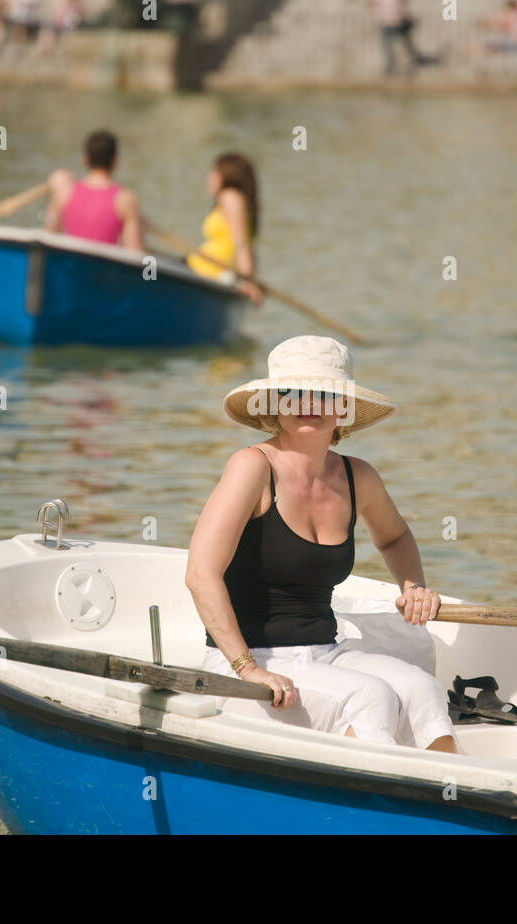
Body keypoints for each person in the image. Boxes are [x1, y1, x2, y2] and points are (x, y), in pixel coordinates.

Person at [186, 335, 458, 753]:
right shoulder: (250, 467)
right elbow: (201, 575)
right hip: (244, 663)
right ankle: (380, 811)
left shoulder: (358, 476)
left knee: (422, 689)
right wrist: (247, 669)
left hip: (327, 652)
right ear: (275, 404)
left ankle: (451, 805)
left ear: (343, 407)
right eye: (293, 393)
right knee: (371, 697)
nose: (308, 403)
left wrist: (413, 587)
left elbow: (395, 536)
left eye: (325, 393)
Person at [45, 130, 143, 250]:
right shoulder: (125, 199)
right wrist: (140, 226)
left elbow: (50, 236)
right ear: (115, 162)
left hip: (73, 264)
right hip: (104, 267)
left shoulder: (64, 192)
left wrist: (54, 195)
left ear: (85, 160)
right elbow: (135, 251)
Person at [186, 152, 264, 304]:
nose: (209, 177)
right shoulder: (233, 200)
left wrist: (247, 280)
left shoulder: (230, 197)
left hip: (209, 272)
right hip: (202, 268)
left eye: (214, 172)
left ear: (227, 175)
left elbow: (241, 242)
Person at [367, 0, 432, 76]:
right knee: (406, 43)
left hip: (385, 21)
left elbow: (370, 2)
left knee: (387, 47)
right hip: (399, 20)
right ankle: (414, 61)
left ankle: (390, 69)